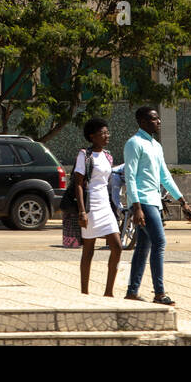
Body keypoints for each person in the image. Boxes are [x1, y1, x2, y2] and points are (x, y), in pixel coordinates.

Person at [123, 106, 191, 305]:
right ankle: (159, 293)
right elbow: (129, 176)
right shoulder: (134, 143)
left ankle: (132, 291)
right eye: (154, 119)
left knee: (143, 247)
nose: (159, 122)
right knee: (160, 242)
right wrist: (135, 207)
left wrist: (182, 201)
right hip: (142, 202)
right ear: (143, 122)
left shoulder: (155, 145)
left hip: (154, 201)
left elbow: (165, 176)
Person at [73, 117, 121, 296]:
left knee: (117, 246)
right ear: (92, 136)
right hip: (90, 205)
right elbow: (78, 183)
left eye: (107, 132)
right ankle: (84, 292)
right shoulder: (84, 155)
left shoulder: (108, 155)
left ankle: (109, 291)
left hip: (105, 204)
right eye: (103, 133)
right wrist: (82, 211)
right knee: (89, 248)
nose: (107, 136)